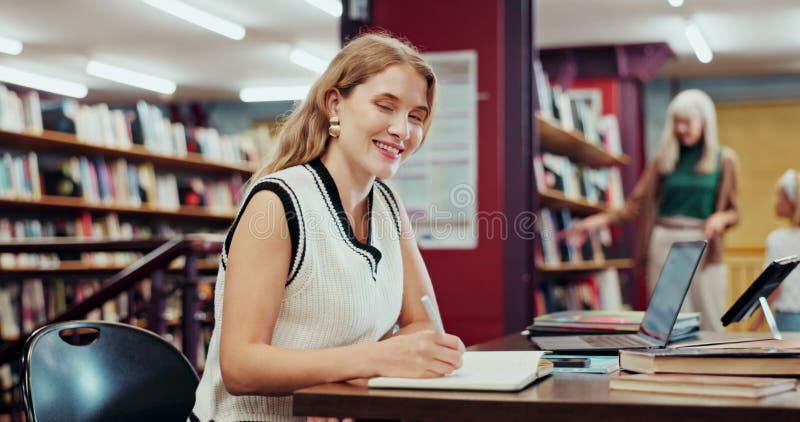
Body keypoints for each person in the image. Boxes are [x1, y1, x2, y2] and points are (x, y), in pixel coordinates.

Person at [191, 33, 465, 422]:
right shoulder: (276, 202)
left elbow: (423, 324)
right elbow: (240, 366)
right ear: (335, 103)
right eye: (385, 106)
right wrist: (366, 362)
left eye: (416, 117)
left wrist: (342, 383)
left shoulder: (389, 205)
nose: (402, 130)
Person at [565, 89, 739, 332]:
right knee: (667, 322)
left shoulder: (724, 159)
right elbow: (634, 205)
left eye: (687, 122)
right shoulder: (662, 160)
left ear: (705, 122)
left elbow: (734, 212)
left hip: (705, 245)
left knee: (710, 317)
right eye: (677, 122)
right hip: (665, 242)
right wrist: (592, 223)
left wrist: (720, 218)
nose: (681, 129)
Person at [752, 169, 800, 332]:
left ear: (791, 201)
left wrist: (758, 320)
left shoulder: (778, 239)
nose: (775, 202)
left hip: (789, 319)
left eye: (779, 196)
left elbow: (774, 286)